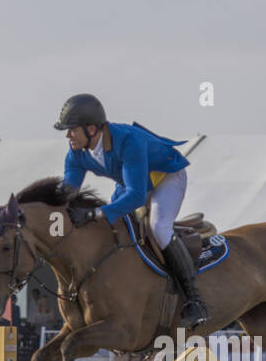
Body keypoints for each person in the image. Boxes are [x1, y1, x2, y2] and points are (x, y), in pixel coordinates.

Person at [55, 93, 208, 326]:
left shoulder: (127, 141)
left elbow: (136, 196)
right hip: (134, 181)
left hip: (165, 176)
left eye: (72, 129)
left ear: (92, 129)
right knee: (114, 227)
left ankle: (195, 300)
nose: (68, 135)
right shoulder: (76, 152)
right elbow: (68, 192)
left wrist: (96, 213)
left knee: (158, 227)